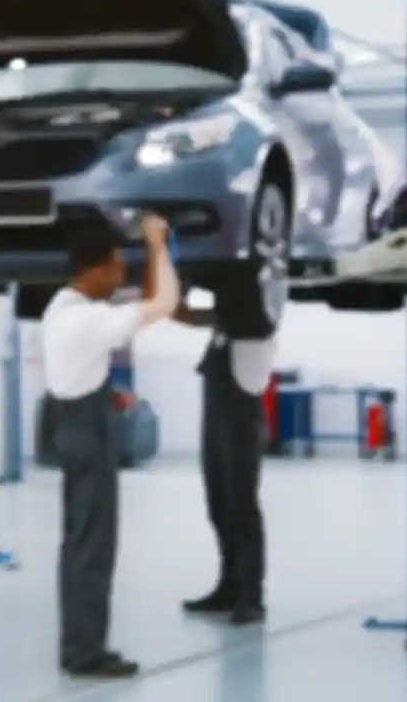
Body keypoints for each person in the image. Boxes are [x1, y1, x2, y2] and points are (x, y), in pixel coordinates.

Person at [41, 214, 178, 677]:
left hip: (73, 423)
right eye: (117, 266)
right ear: (95, 270)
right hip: (87, 434)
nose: (121, 273)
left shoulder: (61, 306)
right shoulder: (88, 319)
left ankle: (79, 645)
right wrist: (158, 245)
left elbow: (80, 364)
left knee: (80, 543)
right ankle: (85, 653)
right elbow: (164, 303)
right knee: (92, 546)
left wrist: (106, 391)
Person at [172, 299, 276, 626]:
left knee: (242, 505)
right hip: (217, 420)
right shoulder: (224, 322)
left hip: (240, 421)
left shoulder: (255, 322)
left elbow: (250, 314)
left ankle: (251, 597)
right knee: (219, 504)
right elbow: (187, 314)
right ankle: (229, 586)